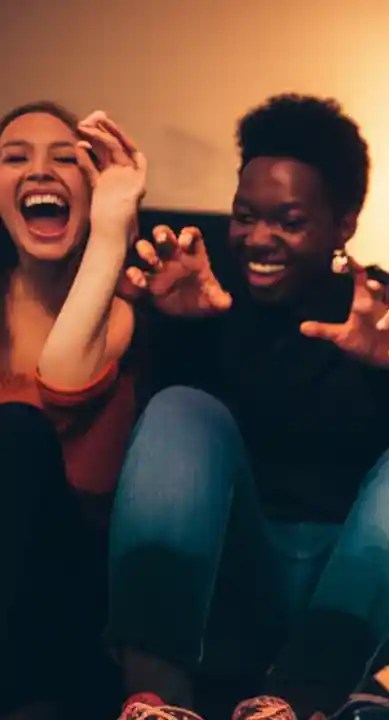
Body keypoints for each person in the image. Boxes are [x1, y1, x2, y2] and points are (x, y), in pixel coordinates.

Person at [106, 94, 389, 720]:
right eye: (246, 216)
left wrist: (386, 372)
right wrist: (182, 330)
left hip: (347, 591)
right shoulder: (200, 291)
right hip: (231, 578)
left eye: (288, 221)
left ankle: (295, 706)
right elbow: (166, 459)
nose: (258, 238)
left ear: (343, 223)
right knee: (182, 408)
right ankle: (155, 699)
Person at [0, 103, 146, 718]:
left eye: (65, 158)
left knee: (19, 433)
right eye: (14, 159)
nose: (40, 173)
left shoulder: (123, 312)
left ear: (92, 190)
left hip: (72, 622)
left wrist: (112, 230)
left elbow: (57, 392)